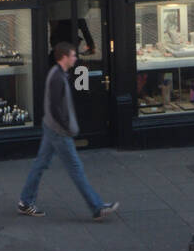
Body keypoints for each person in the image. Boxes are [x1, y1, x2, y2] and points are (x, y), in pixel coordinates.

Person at [17, 41, 119, 220]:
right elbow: (56, 107)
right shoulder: (57, 77)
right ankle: (96, 208)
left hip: (51, 127)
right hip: (59, 132)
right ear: (64, 57)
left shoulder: (58, 74)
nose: (75, 58)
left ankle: (25, 202)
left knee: (40, 164)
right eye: (73, 55)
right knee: (76, 168)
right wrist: (67, 127)